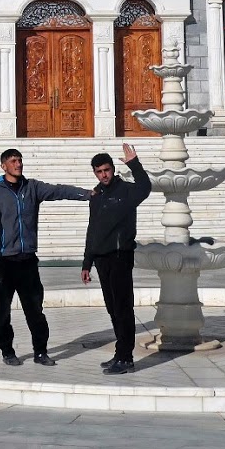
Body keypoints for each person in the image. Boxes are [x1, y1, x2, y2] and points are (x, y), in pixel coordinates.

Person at [0, 148, 91, 366]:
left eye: (20, 160)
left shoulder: (32, 188)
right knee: (3, 312)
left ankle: (40, 352)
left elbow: (59, 191)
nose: (18, 164)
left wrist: (87, 194)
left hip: (28, 261)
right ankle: (7, 351)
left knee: (35, 311)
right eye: (13, 161)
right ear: (4, 166)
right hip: (4, 262)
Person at [81, 142, 152, 374]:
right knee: (112, 309)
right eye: (99, 172)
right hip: (101, 259)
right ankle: (120, 353)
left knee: (123, 308)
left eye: (107, 170)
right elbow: (92, 230)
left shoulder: (127, 191)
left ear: (113, 169)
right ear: (95, 173)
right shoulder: (97, 195)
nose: (104, 175)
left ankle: (126, 358)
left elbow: (146, 187)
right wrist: (87, 262)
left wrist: (134, 164)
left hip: (121, 256)